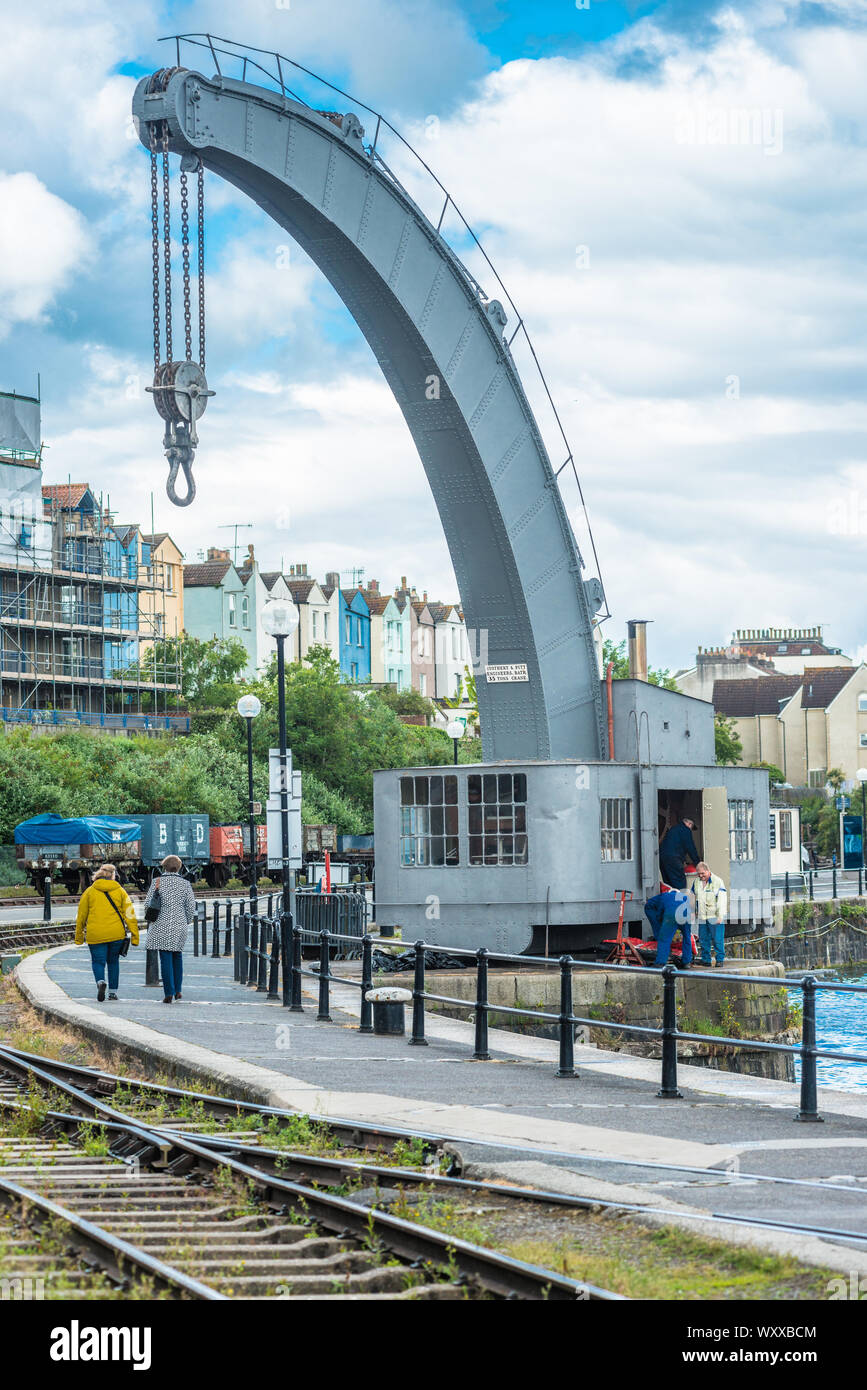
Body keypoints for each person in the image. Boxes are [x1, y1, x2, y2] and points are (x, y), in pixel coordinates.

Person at [75, 864, 139, 1002]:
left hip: (96, 934)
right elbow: (130, 915)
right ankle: (112, 993)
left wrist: (79, 937)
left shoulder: (89, 892)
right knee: (113, 962)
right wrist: (135, 936)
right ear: (113, 875)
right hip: (116, 934)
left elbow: (81, 916)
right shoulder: (120, 891)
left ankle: (100, 982)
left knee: (98, 962)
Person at [143, 855, 196, 1004]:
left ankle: (169, 992)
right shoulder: (185, 884)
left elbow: (148, 904)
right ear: (179, 867)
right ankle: (178, 990)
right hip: (179, 924)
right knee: (177, 956)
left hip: (160, 924)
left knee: (165, 958)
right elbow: (191, 907)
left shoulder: (156, 882)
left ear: (164, 867)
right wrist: (185, 920)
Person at [644, 886, 693, 968]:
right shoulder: (685, 897)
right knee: (687, 937)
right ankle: (686, 962)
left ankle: (660, 962)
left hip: (672, 915)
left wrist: (660, 922)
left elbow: (658, 909)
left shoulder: (665, 895)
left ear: (669, 891)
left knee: (664, 939)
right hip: (687, 915)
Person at [692, 861, 727, 967]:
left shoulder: (718, 882)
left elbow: (722, 900)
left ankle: (720, 960)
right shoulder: (696, 882)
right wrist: (693, 911)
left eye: (703, 873)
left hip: (714, 916)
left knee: (717, 939)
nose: (701, 876)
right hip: (702, 916)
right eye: (698, 874)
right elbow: (692, 897)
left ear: (708, 871)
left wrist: (720, 916)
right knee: (703, 939)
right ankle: (706, 960)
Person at [659, 816, 702, 890]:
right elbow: (691, 848)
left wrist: (683, 860)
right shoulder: (685, 830)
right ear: (689, 824)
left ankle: (671, 900)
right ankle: (680, 901)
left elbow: (675, 846)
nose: (690, 830)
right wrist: (698, 863)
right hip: (673, 859)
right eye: (691, 827)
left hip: (662, 859)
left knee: (669, 886)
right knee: (680, 884)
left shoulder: (674, 829)